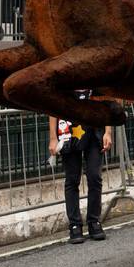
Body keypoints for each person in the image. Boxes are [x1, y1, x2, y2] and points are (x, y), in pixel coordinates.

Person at [49, 94, 112, 243]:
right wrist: (52, 137)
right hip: (68, 132)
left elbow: (105, 100)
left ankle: (94, 222)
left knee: (94, 176)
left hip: (94, 129)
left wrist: (108, 132)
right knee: (72, 179)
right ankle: (75, 225)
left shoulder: (95, 74)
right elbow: (52, 106)